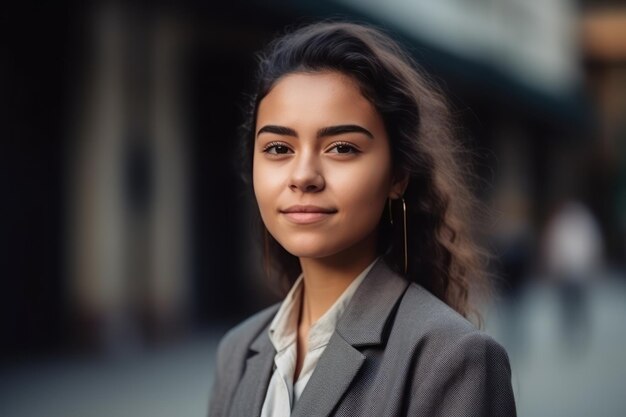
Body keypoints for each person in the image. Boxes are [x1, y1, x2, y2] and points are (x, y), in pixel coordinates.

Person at [208, 21, 516, 417]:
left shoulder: (452, 360)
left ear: (397, 176)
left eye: (341, 147)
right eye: (279, 147)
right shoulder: (237, 352)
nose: (303, 176)